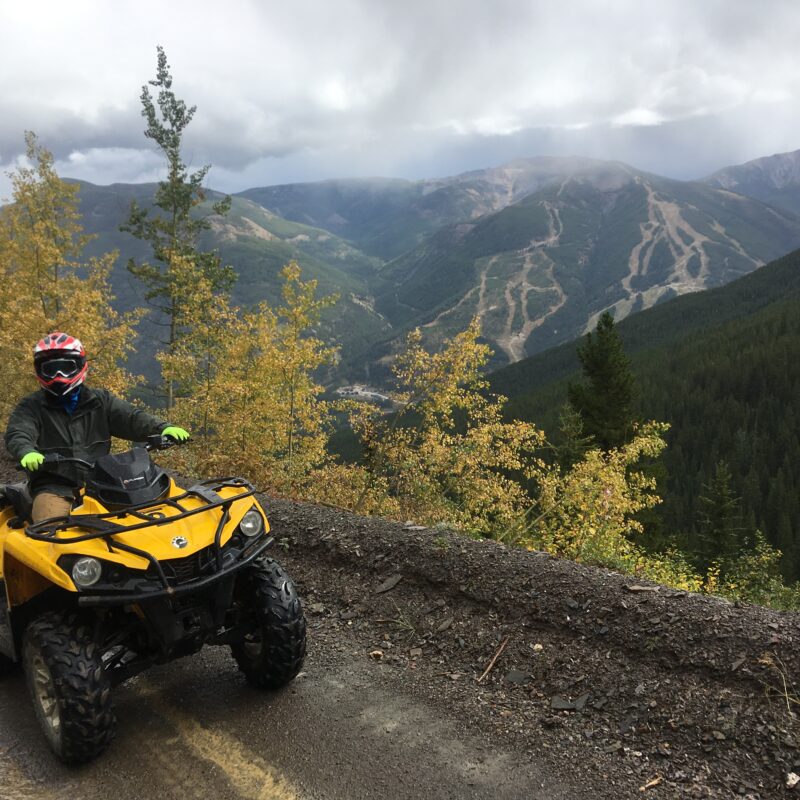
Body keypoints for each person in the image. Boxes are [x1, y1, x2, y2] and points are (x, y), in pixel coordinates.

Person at [4, 332, 189, 522]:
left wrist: (163, 428)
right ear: (39, 371)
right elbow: (18, 432)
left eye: (66, 368)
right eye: (51, 369)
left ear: (80, 366)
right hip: (55, 487)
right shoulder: (31, 406)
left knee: (146, 517)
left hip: (102, 481)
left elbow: (132, 418)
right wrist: (27, 452)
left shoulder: (100, 400)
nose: (59, 376)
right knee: (50, 526)